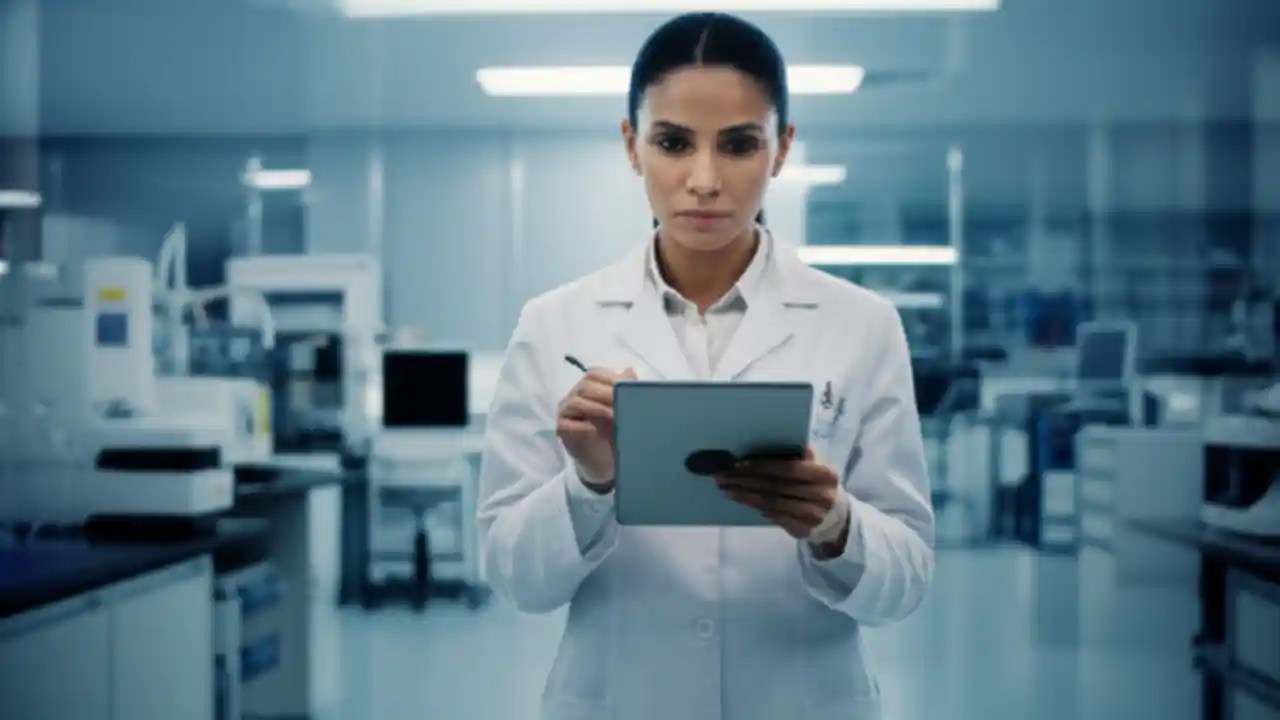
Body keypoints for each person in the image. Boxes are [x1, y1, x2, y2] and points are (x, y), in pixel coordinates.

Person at [477, 12, 933, 720]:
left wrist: (835, 523)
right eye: (673, 142)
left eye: (739, 145)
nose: (704, 179)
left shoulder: (863, 327)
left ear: (782, 149)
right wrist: (590, 482)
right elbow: (515, 578)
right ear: (632, 146)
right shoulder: (553, 325)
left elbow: (905, 583)